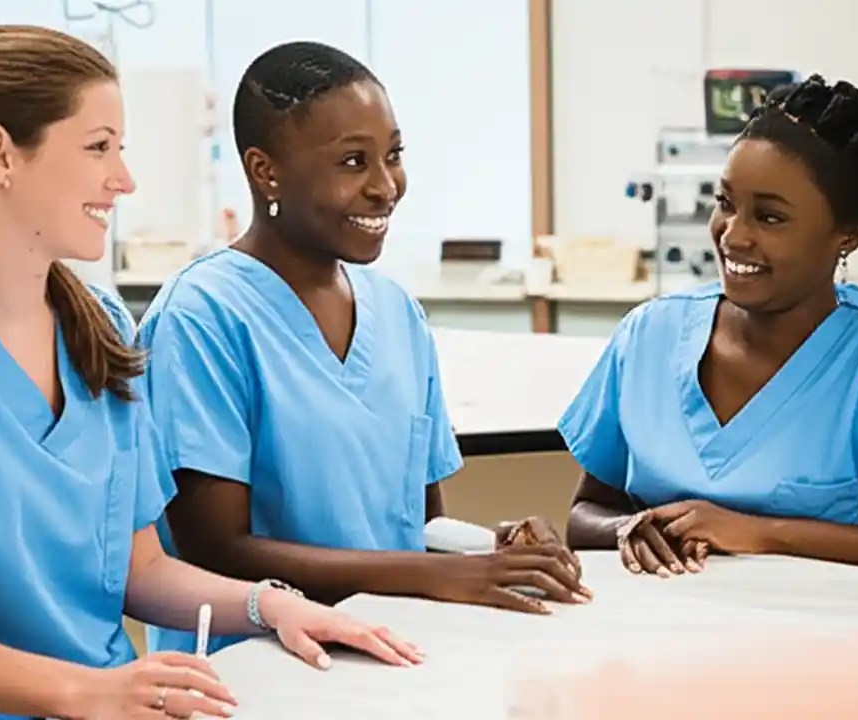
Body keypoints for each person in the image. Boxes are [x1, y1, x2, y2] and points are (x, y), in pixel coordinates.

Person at [0, 25, 420, 720]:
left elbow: (140, 568)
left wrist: (273, 607)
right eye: (98, 147)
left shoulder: (96, 325)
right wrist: (90, 691)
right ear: (0, 153)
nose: (122, 179)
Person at [138, 40, 591, 656]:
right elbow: (214, 549)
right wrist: (435, 576)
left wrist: (492, 547)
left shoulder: (397, 314)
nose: (386, 187)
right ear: (264, 170)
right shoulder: (203, 316)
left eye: (394, 155)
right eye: (353, 162)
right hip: (258, 668)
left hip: (392, 654)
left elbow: (419, 527)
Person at [561, 75, 858, 578]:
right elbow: (585, 516)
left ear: (849, 236)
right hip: (664, 635)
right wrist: (633, 530)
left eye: (770, 218)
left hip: (834, 644)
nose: (733, 236)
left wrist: (763, 533)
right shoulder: (648, 336)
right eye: (726, 202)